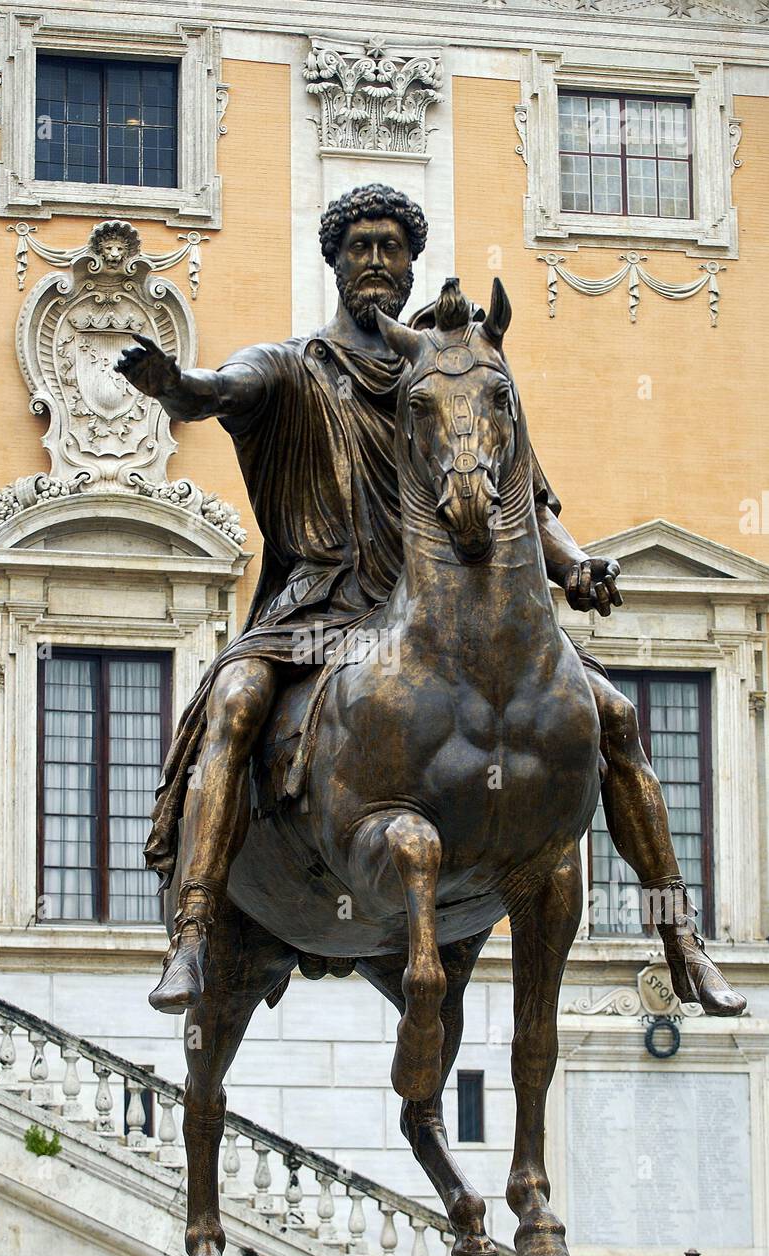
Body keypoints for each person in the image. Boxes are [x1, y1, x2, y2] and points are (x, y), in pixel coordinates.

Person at [116, 183, 744, 1019]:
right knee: (234, 703)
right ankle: (194, 928)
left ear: (411, 263)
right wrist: (172, 384)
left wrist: (578, 566)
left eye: (391, 247)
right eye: (359, 246)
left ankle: (681, 934)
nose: (375, 260)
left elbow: (523, 500)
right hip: (323, 612)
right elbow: (216, 392)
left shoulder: (464, 376)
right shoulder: (296, 367)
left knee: (617, 717)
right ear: (333, 260)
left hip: (447, 626)